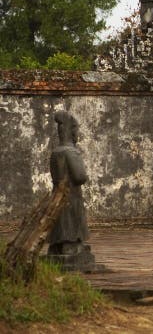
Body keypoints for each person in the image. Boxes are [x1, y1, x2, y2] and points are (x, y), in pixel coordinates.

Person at [47, 110, 90, 256]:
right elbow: (80, 177)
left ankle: (56, 246)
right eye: (76, 130)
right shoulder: (71, 152)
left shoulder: (56, 152)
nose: (77, 134)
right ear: (71, 132)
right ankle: (71, 245)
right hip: (72, 195)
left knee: (59, 221)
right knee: (71, 222)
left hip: (57, 193)